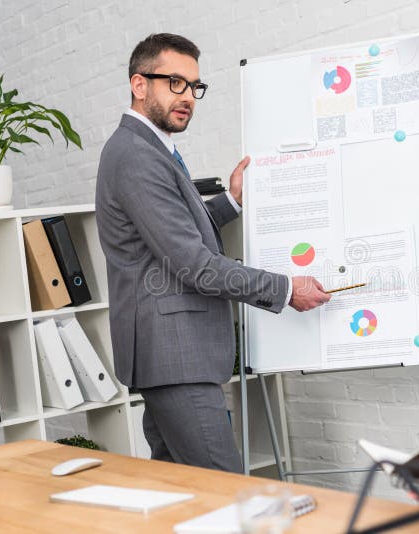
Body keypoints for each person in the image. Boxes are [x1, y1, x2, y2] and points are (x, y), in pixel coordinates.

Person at [95, 33, 330, 473]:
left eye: (194, 86)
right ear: (139, 84)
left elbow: (173, 232)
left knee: (181, 493)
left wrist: (233, 202)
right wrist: (283, 290)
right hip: (176, 359)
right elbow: (195, 266)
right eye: (175, 83)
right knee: (229, 493)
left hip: (171, 358)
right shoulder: (135, 155)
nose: (188, 97)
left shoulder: (149, 149)